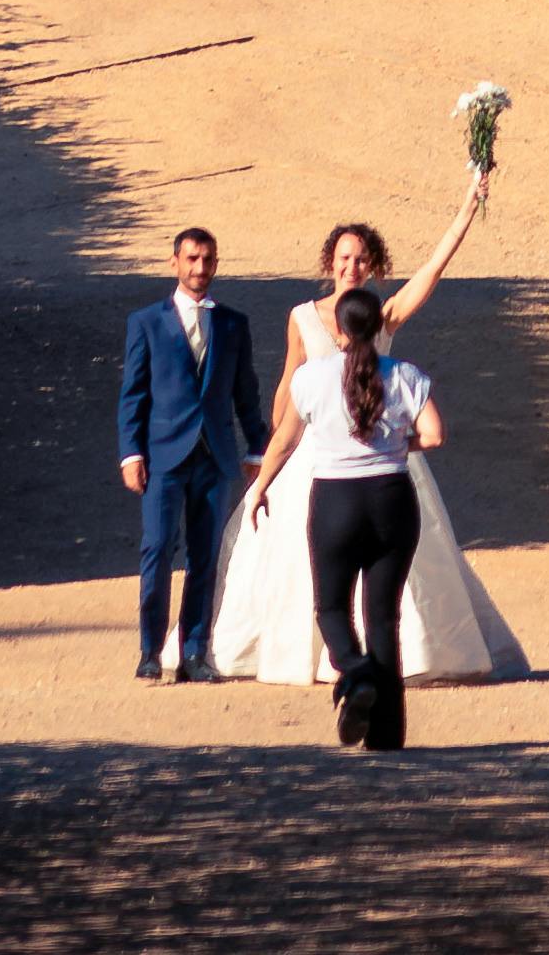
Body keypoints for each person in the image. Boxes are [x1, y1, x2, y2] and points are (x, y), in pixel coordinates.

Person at [193, 171, 527, 696]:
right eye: (343, 258)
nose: (351, 267)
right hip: (316, 456)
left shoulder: (384, 316)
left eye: (361, 259)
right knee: (302, 565)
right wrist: (267, 453)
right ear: (330, 264)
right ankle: (337, 664)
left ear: (373, 267)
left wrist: (467, 206)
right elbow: (287, 386)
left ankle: (367, 665)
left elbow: (434, 269)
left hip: (381, 458)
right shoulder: (301, 316)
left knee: (372, 581)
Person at [278, 277, 443, 745]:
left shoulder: (312, 378)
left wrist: (263, 482)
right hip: (392, 497)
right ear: (377, 328)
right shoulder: (406, 375)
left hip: (335, 499)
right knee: (384, 616)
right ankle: (388, 734)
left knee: (331, 607)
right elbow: (434, 435)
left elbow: (289, 432)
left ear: (340, 332)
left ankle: (355, 673)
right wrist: (396, 444)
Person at [112, 220, 274, 681]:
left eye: (207, 260)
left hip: (216, 455)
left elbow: (247, 392)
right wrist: (131, 453)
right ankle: (149, 650)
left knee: (204, 556)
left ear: (216, 264)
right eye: (191, 259)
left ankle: (195, 652)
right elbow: (133, 394)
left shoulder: (232, 324)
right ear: (175, 262)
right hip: (163, 455)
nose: (199, 267)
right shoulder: (145, 322)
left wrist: (256, 450)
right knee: (158, 550)